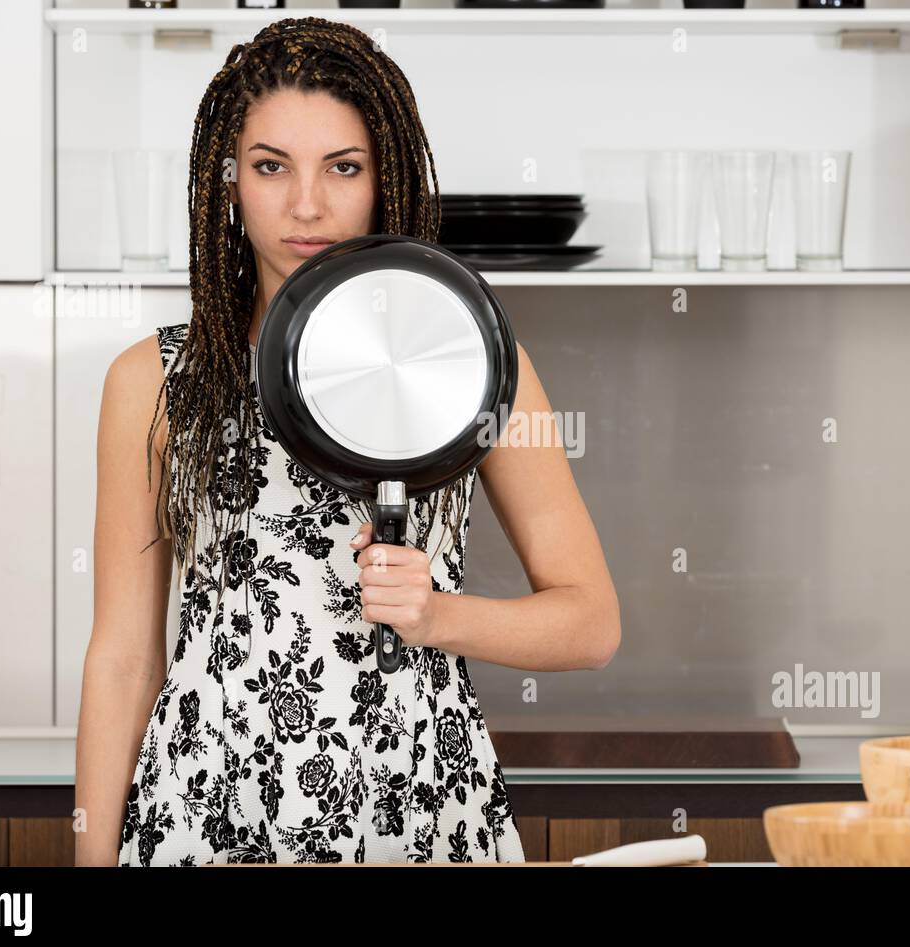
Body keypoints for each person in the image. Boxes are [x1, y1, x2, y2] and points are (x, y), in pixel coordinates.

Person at [74, 17, 620, 866]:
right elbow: (121, 657)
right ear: (227, 182)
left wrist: (435, 614)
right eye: (270, 167)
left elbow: (591, 624)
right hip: (209, 810)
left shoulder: (476, 362)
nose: (306, 204)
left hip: (417, 804)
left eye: (344, 167)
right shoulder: (151, 383)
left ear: (383, 179)